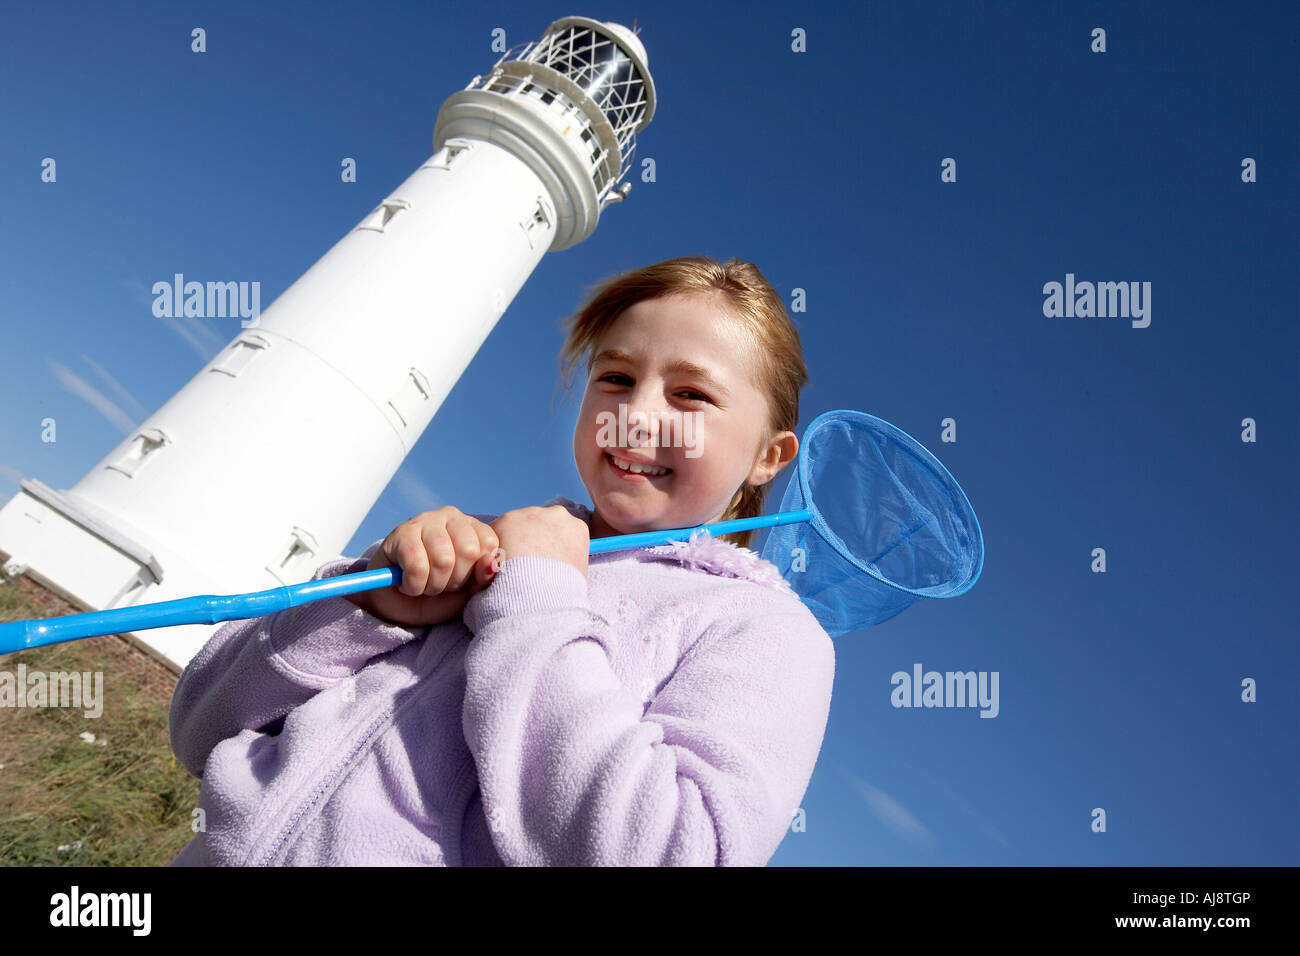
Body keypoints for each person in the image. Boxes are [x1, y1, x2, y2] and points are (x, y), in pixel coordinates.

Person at [166, 255, 835, 866]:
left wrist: (538, 604)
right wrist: (366, 606)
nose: (634, 415)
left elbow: (670, 850)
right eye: (615, 377)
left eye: (691, 395)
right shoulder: (477, 538)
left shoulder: (766, 632)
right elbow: (199, 726)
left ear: (766, 458)